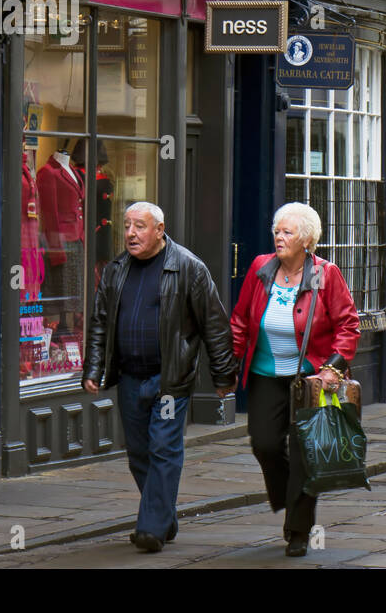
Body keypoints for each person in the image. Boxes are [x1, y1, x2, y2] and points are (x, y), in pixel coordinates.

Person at [82, 202, 236, 553]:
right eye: (126, 226)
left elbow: (214, 325)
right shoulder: (116, 270)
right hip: (130, 378)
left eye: (140, 226)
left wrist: (223, 374)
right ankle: (163, 517)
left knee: (164, 448)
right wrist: (93, 369)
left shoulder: (189, 269)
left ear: (160, 229)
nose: (131, 234)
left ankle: (150, 528)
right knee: (139, 452)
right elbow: (100, 323)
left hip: (169, 381)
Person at [230, 202, 360, 558]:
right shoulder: (261, 268)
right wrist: (229, 363)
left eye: (287, 232)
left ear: (307, 239)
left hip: (309, 379)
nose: (279, 237)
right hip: (265, 376)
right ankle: (292, 499)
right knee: (265, 445)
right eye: (276, 231)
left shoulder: (325, 274)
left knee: (304, 455)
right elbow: (241, 319)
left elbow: (348, 324)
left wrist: (333, 365)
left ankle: (298, 530)